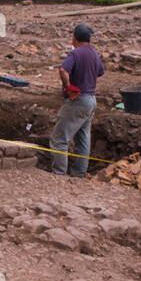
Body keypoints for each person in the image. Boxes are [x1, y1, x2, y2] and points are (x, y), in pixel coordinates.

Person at [50, 23, 104, 177]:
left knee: (59, 139)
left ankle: (59, 172)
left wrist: (69, 87)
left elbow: (63, 70)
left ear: (74, 38)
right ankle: (79, 173)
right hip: (91, 100)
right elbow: (100, 71)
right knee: (83, 139)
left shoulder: (75, 54)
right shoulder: (94, 53)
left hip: (78, 100)